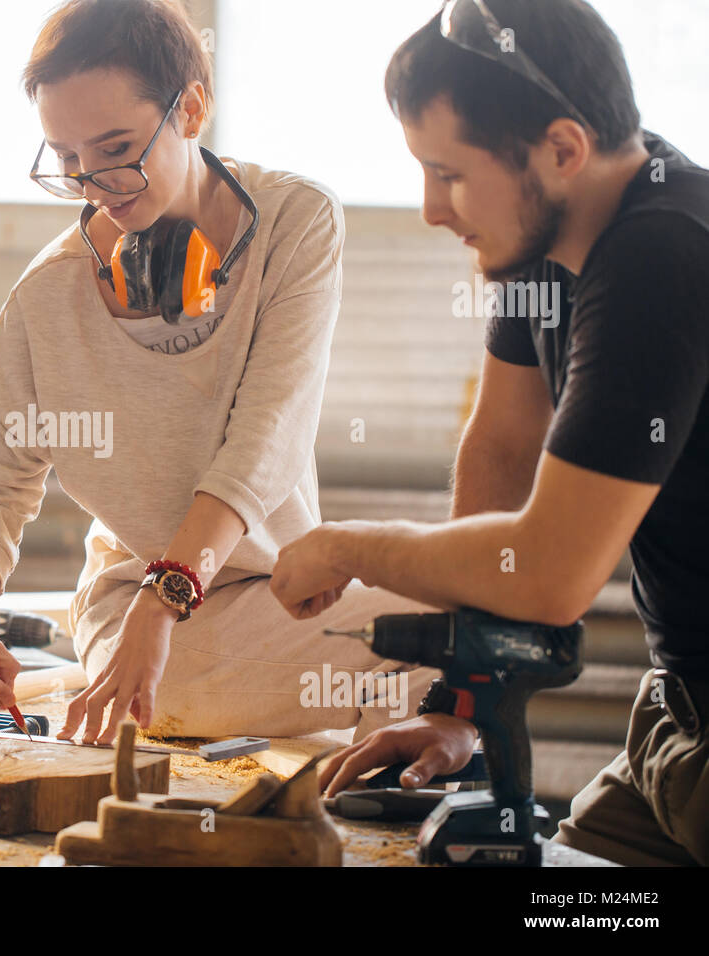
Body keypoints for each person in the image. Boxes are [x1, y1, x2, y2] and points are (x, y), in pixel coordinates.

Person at [270, 0, 709, 866]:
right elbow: (504, 451)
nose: (432, 209)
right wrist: (461, 700)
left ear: (561, 149)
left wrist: (346, 547)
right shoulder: (550, 235)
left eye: (450, 174)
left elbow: (547, 575)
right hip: (676, 718)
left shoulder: (664, 255)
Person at [0, 0, 436, 745]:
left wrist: (168, 598)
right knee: (197, 683)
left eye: (118, 146)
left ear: (191, 108)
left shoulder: (298, 223)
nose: (97, 181)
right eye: (69, 161)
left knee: (466, 625)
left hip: (273, 592)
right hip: (136, 612)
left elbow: (266, 440)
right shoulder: (45, 300)